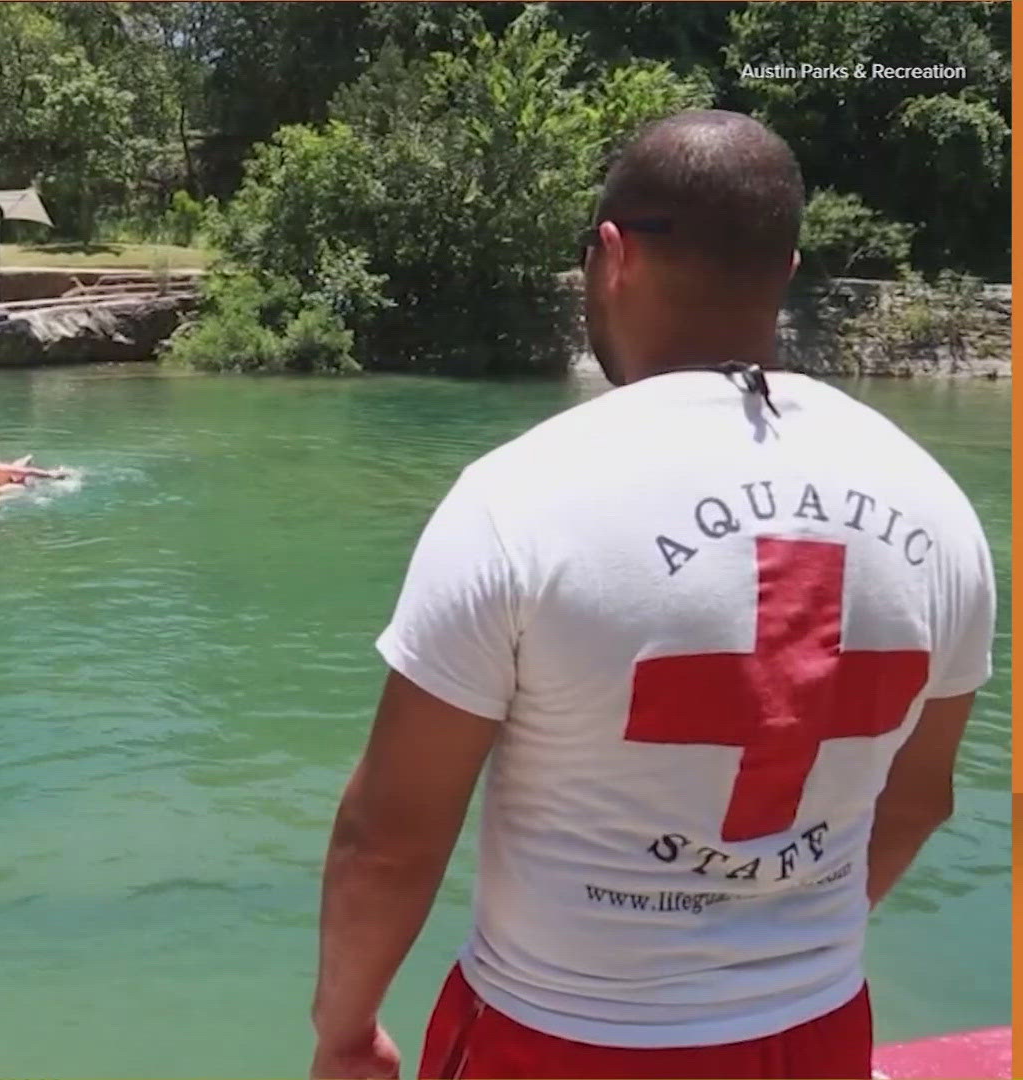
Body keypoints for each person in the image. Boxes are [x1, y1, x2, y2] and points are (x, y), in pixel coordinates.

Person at [310, 110, 995, 1080]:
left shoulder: (521, 495)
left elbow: (389, 837)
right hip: (818, 1033)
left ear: (612, 254)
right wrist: (775, 945)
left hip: (557, 1041)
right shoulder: (937, 507)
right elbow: (919, 800)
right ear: (786, 268)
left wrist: (345, 1032)